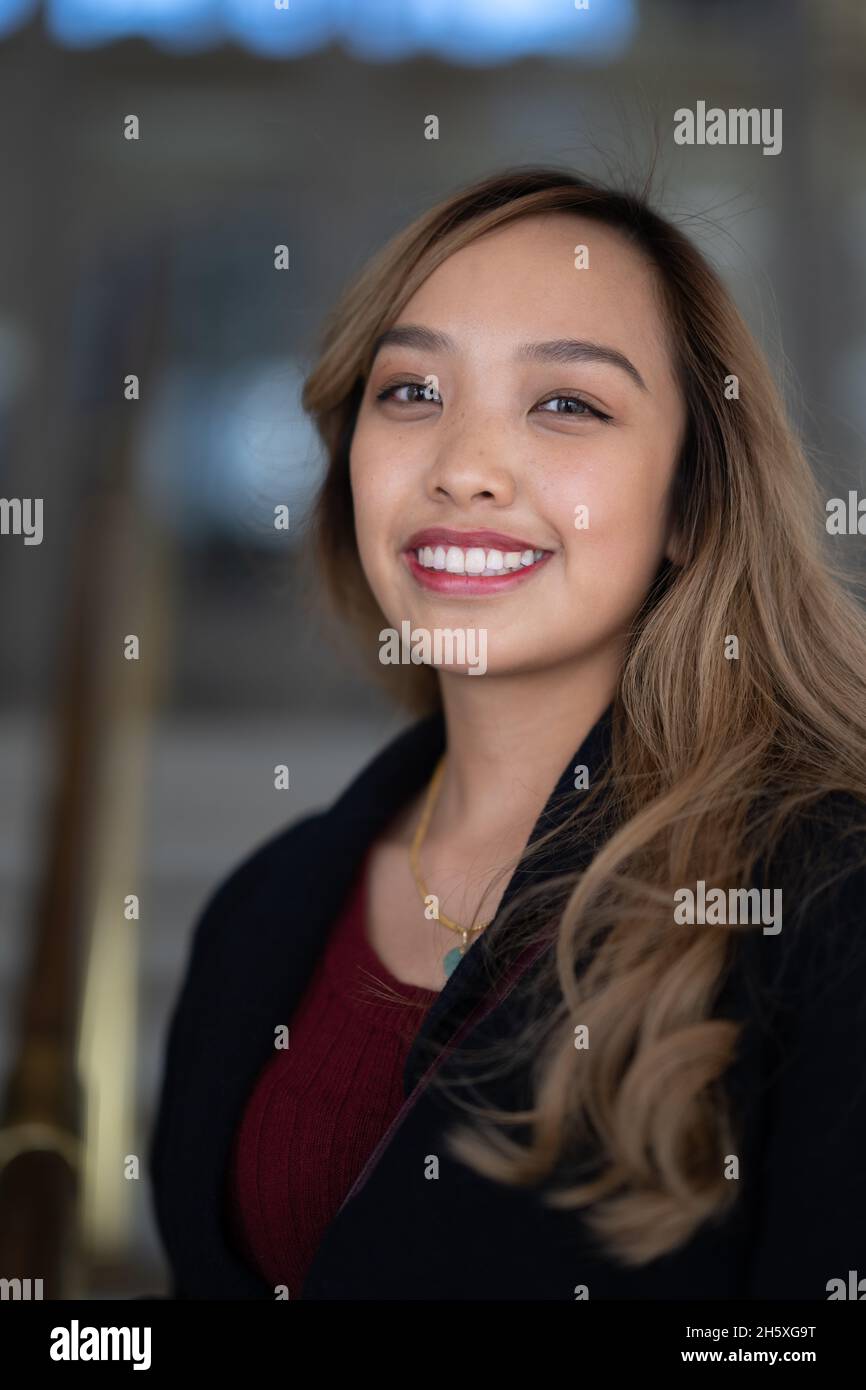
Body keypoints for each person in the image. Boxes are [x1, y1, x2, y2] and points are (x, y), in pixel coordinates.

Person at [149, 167, 866, 1301]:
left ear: (689, 502)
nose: (463, 469)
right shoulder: (264, 906)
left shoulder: (826, 900)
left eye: (566, 403)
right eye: (409, 392)